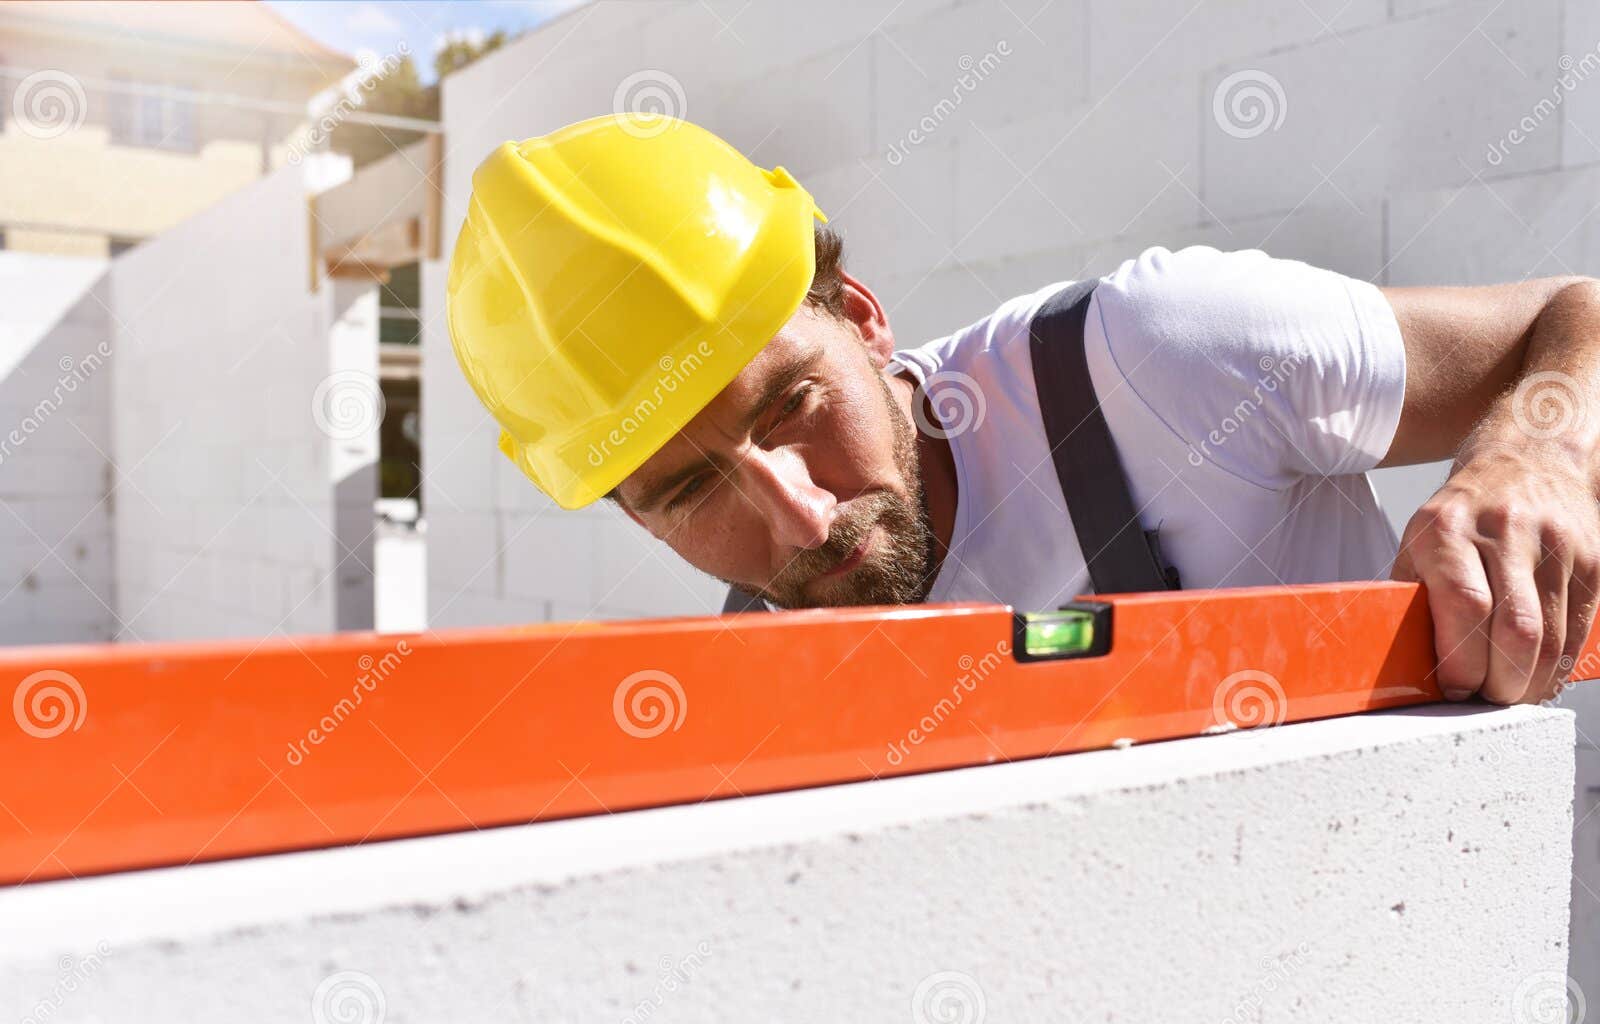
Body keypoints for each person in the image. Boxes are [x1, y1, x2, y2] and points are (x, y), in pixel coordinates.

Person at [447, 114, 1600, 706]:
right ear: (634, 517)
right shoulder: (767, 684)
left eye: (792, 404)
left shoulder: (1161, 354)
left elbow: (1575, 312)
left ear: (859, 314)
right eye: (691, 490)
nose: (799, 523)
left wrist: (1536, 462)